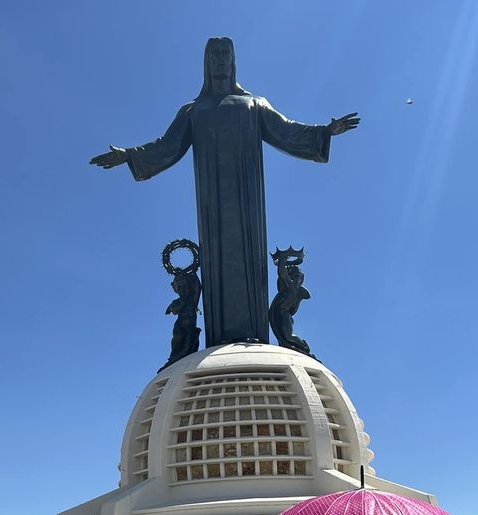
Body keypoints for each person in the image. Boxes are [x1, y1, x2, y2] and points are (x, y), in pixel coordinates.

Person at [90, 37, 359, 348]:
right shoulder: (193, 111)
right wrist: (129, 155)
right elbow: (167, 146)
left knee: (249, 255)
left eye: (225, 53)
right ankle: (219, 341)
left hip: (248, 199)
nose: (219, 58)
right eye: (214, 54)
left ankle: (255, 337)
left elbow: (287, 131)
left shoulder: (254, 105)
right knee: (217, 257)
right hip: (212, 200)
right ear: (207, 62)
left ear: (233, 61)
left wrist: (325, 132)